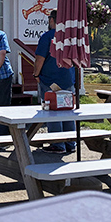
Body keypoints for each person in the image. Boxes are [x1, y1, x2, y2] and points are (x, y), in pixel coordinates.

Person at [33, 9, 76, 154]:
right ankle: (70, 142)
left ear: (52, 20)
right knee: (67, 110)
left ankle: (57, 144)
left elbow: (40, 58)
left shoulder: (47, 36)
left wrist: (36, 74)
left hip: (50, 78)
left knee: (52, 112)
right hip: (68, 78)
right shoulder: (71, 38)